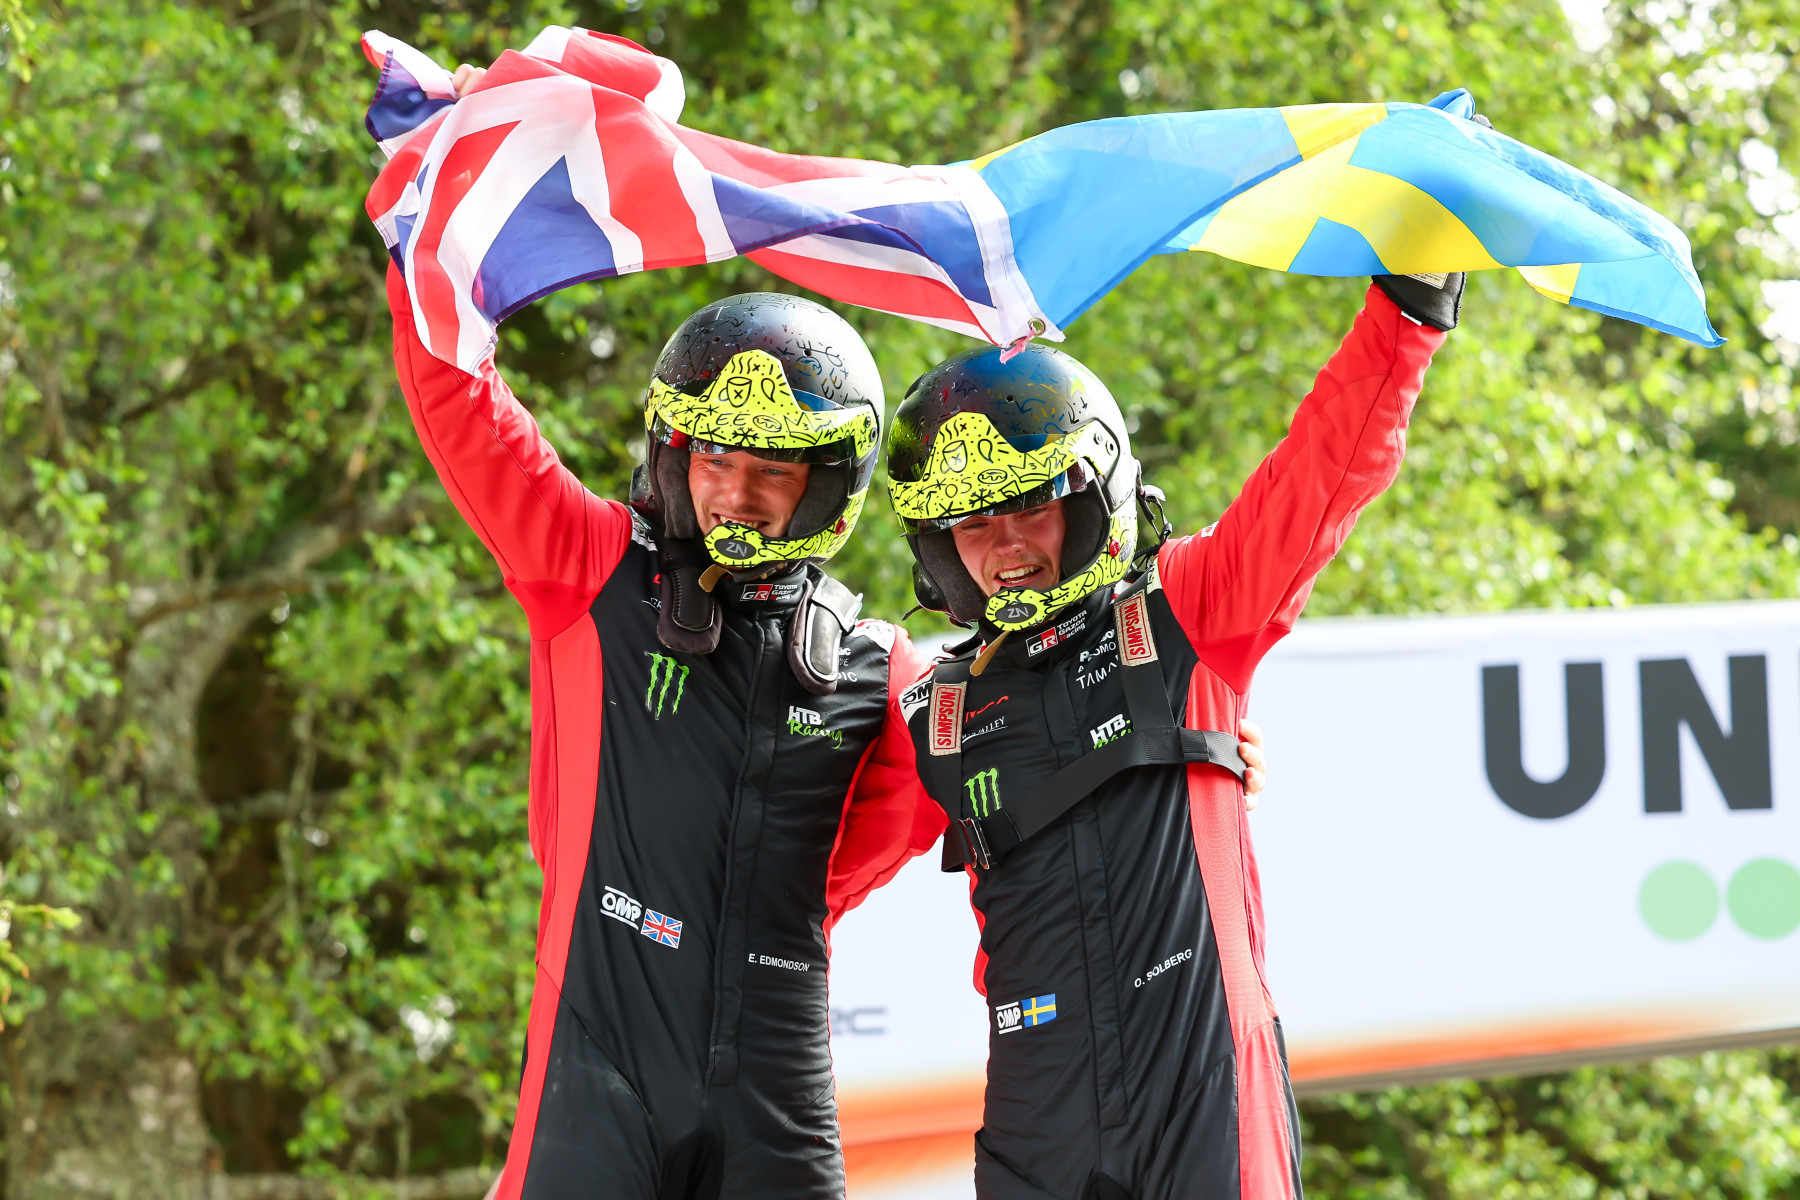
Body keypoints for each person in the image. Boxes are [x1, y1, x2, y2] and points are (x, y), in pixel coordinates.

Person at [407, 61, 1263, 1200]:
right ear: (674, 458)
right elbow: (460, 400)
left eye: (773, 472)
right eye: (716, 458)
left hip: (777, 1096)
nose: (738, 495)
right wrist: (429, 231)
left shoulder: (885, 668)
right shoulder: (586, 568)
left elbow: (1020, 762)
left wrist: (1183, 757)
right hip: (596, 1070)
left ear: (830, 489)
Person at [886, 271, 1462, 1199]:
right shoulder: (931, 707)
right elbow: (794, 865)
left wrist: (1407, 311)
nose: (1004, 550)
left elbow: (1324, 474)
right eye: (972, 526)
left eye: (1030, 508)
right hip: (1037, 1104)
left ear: (1089, 500)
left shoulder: (1193, 609)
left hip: (1200, 1077)